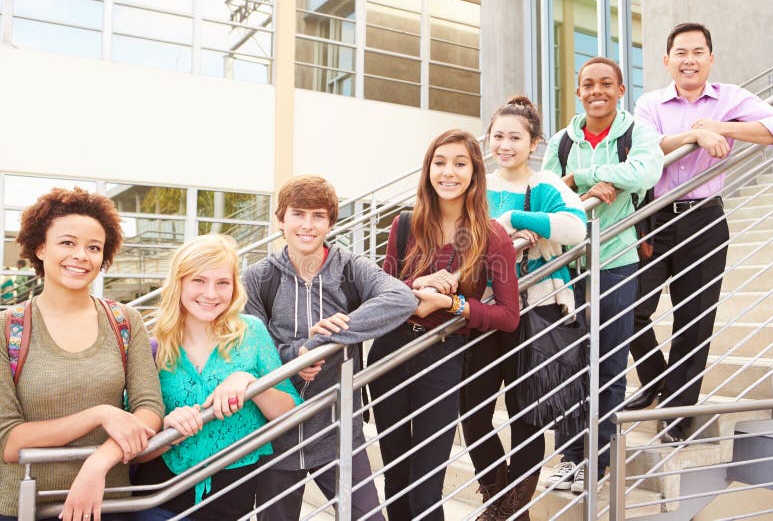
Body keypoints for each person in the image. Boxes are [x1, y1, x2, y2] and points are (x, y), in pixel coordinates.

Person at [626, 23, 773, 441]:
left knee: (694, 320)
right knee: (627, 305)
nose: (689, 60)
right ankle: (655, 381)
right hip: (653, 217)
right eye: (680, 52)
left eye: (698, 52)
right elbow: (644, 148)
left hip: (704, 220)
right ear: (667, 61)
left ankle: (679, 413)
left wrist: (723, 127)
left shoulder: (730, 98)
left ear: (710, 58)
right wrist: (696, 133)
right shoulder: (649, 103)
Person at [242, 175, 417, 520]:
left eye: (318, 216)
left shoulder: (350, 268)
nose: (307, 225)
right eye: (298, 214)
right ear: (280, 220)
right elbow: (249, 350)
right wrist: (296, 354)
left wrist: (327, 338)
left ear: (331, 223)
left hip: (339, 432)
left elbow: (402, 297)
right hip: (277, 437)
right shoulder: (259, 278)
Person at [369, 129, 520, 521]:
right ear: (428, 169)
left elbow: (508, 315)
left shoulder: (492, 236)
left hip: (443, 356)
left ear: (475, 172)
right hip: (390, 352)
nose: (448, 172)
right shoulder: (404, 225)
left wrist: (455, 304)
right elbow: (381, 290)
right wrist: (416, 286)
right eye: (440, 162)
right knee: (395, 480)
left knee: (426, 488)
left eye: (459, 163)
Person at [0, 187, 164, 520]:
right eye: (67, 243)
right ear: (41, 247)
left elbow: (150, 409)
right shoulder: (8, 328)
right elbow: (9, 441)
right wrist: (99, 414)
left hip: (110, 504)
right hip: (26, 507)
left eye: (93, 247)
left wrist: (98, 463)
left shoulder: (124, 321)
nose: (81, 256)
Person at [461, 96, 586, 519]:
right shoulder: (475, 186)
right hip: (484, 311)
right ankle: (501, 501)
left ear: (534, 143)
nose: (505, 145)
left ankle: (511, 509)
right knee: (473, 411)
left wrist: (520, 219)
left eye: (516, 137)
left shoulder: (546, 184)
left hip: (536, 311)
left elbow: (576, 229)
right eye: (498, 136)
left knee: (527, 414)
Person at [542, 57, 664, 492]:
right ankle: (569, 456)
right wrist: (582, 188)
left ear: (619, 90)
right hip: (567, 266)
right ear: (578, 92)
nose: (597, 91)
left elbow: (647, 171)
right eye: (588, 84)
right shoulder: (562, 140)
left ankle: (597, 459)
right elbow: (545, 194)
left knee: (610, 361)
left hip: (616, 259)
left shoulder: (636, 133)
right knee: (569, 363)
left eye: (606, 84)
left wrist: (585, 174)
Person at [132, 234, 302, 520]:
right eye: (199, 280)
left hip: (232, 500)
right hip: (159, 501)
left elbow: (288, 411)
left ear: (234, 287)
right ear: (179, 283)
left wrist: (248, 381)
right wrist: (168, 433)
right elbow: (133, 449)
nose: (211, 294)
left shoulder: (252, 332)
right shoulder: (153, 347)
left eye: (222, 283)